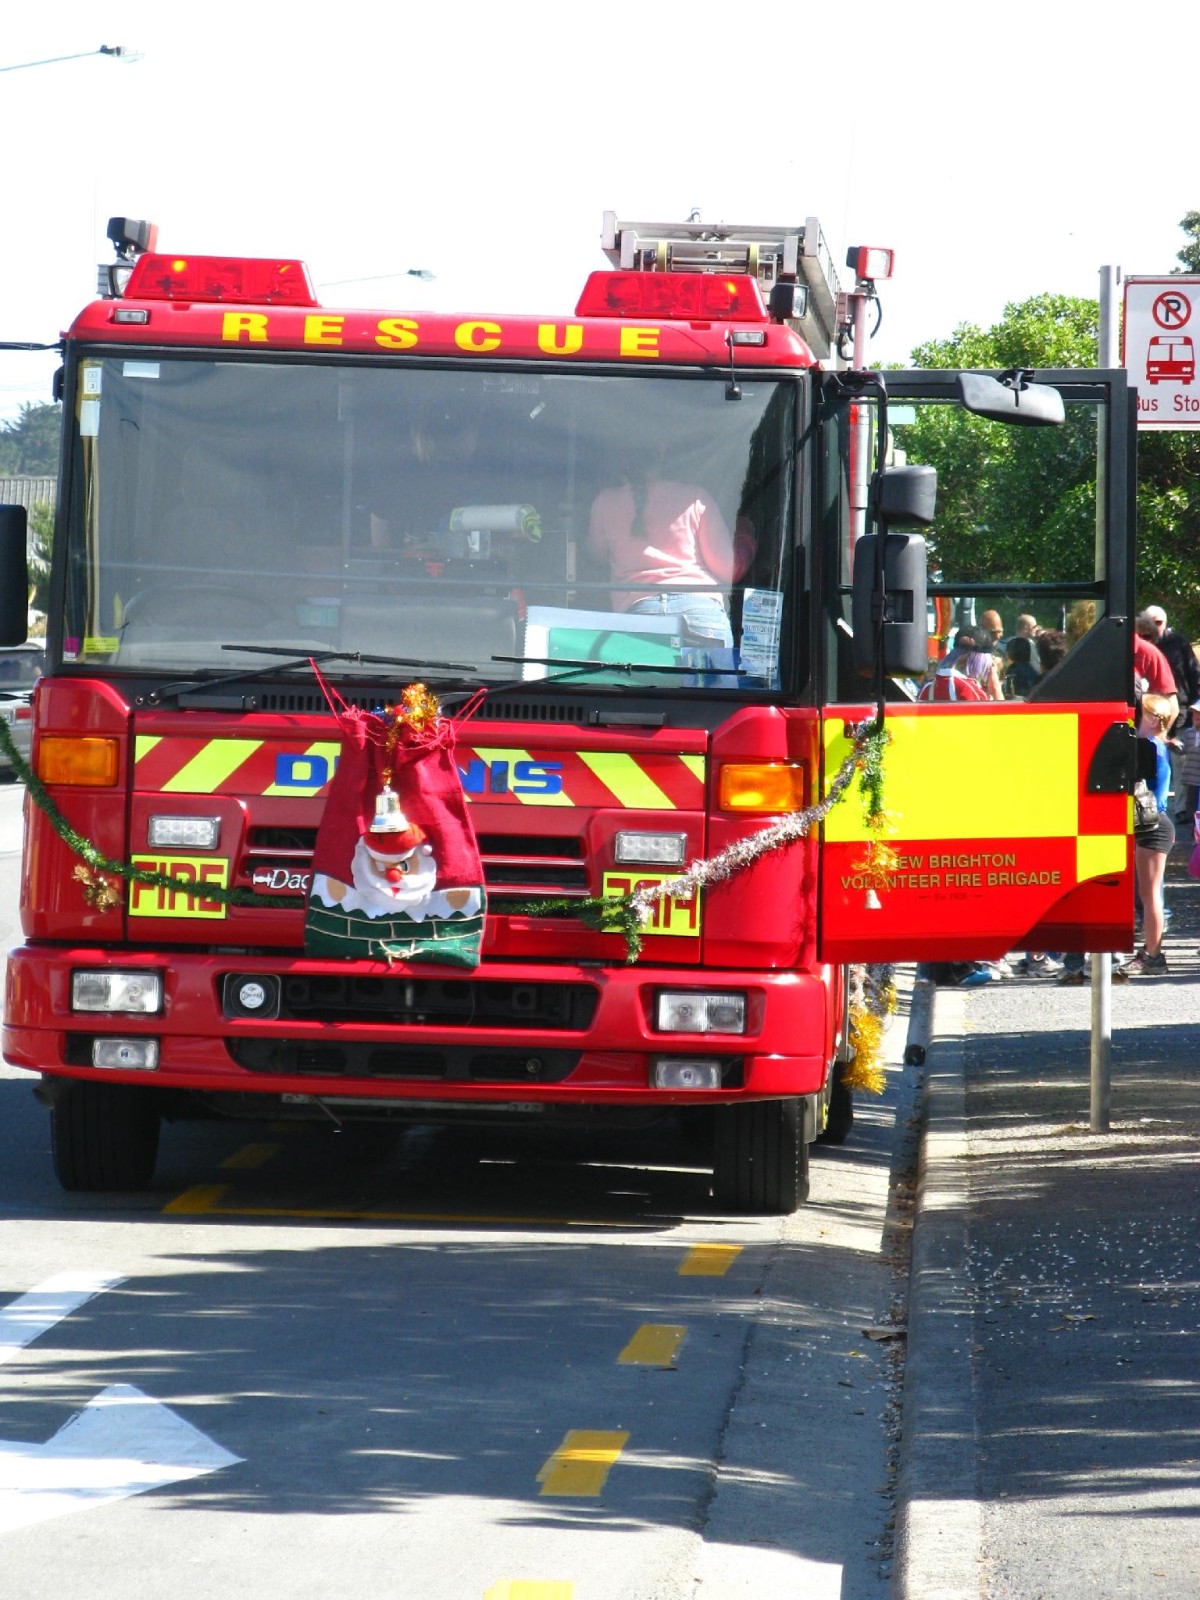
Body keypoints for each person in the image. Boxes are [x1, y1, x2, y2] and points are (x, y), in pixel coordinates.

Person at [587, 448, 735, 649]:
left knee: (645, 681)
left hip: (640, 613)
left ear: (623, 461)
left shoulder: (605, 502)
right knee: (716, 681)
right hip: (702, 613)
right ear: (663, 457)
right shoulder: (696, 498)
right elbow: (727, 570)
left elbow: (595, 556)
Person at [1114, 691, 1176, 979]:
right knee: (1148, 893)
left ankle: (1153, 954)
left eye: (1141, 714)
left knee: (1150, 895)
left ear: (1152, 719)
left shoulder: (1151, 746)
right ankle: (1151, 951)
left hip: (1153, 824)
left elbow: (1153, 794)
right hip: (1152, 824)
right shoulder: (1156, 744)